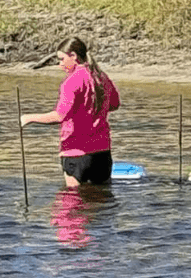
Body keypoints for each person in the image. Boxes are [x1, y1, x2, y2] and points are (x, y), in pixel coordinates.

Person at [20, 36, 120, 186]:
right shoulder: (101, 76)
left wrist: (28, 118)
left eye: (61, 59)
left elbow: (60, 116)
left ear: (73, 56)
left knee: (72, 203)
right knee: (101, 201)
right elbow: (114, 104)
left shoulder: (72, 81)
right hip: (102, 151)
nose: (60, 64)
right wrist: (92, 111)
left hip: (76, 152)